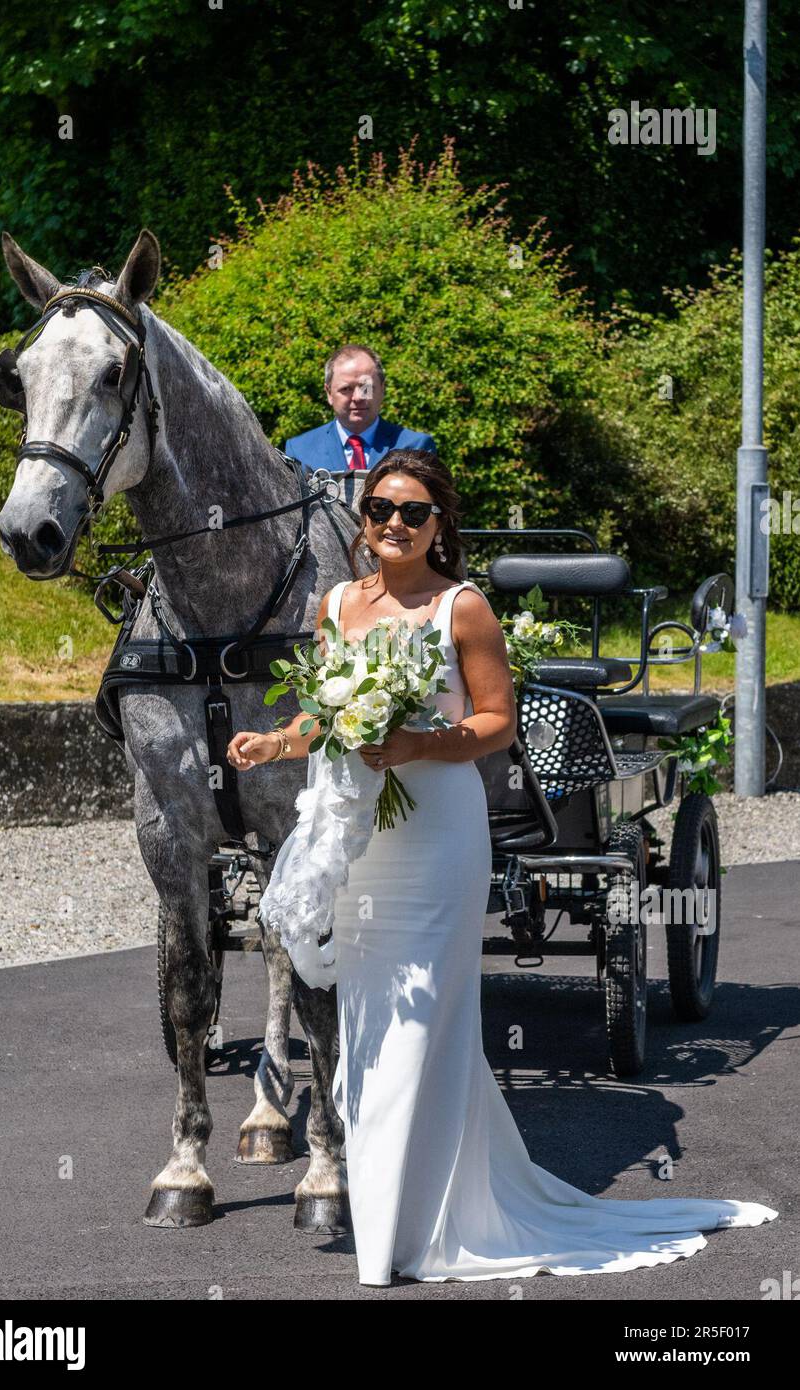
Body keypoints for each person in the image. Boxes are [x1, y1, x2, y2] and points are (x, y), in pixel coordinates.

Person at [226, 449, 778, 1287]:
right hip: (361, 840)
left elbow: (495, 723)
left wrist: (418, 743)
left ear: (440, 523)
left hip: (439, 837)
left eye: (414, 512)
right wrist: (275, 741)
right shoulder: (337, 606)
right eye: (380, 510)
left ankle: (402, 1241)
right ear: (363, 519)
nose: (395, 525)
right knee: (372, 1032)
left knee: (424, 1028)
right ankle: (408, 1212)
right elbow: (321, 711)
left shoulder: (463, 607)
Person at [285, 344, 435, 475]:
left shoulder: (415, 448)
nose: (357, 397)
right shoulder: (300, 451)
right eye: (346, 389)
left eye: (366, 387)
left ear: (382, 389)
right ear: (329, 393)